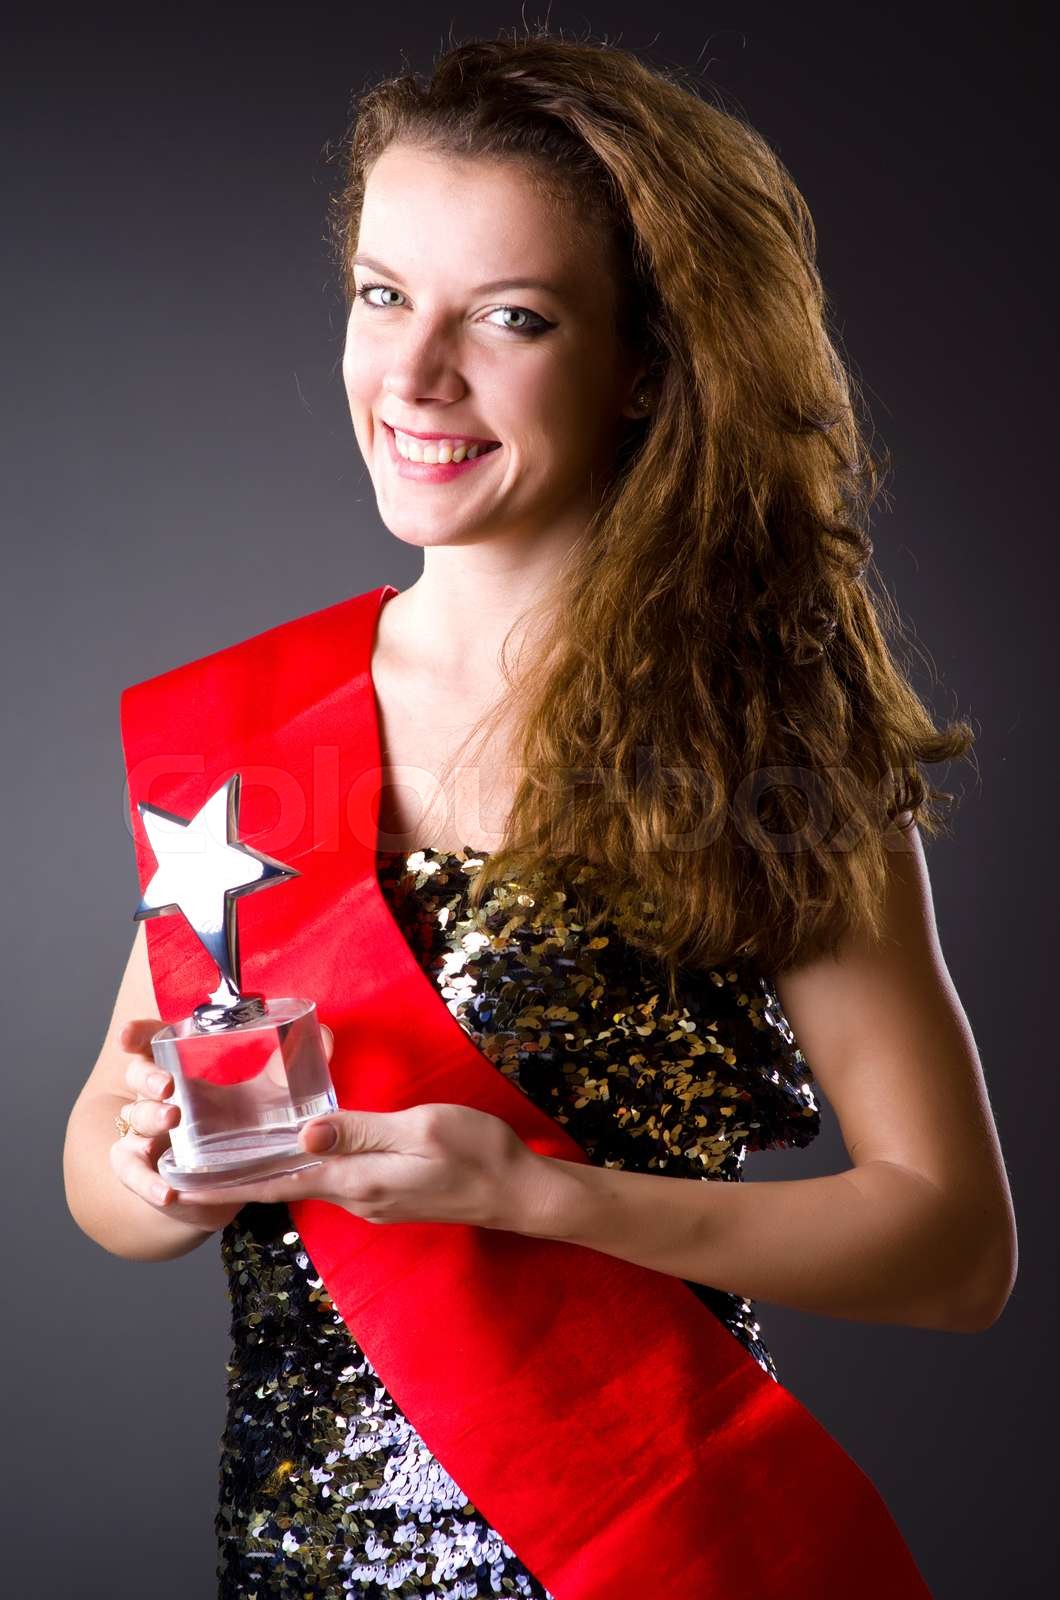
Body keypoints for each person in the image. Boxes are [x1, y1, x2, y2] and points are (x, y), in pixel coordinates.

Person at [63, 30, 1017, 1600]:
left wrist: (540, 1198)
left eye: (509, 318)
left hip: (646, 1547)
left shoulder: (762, 752)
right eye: (384, 296)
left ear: (646, 363)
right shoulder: (255, 739)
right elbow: (103, 1165)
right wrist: (161, 1172)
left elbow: (954, 1251)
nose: (417, 377)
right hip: (298, 1562)